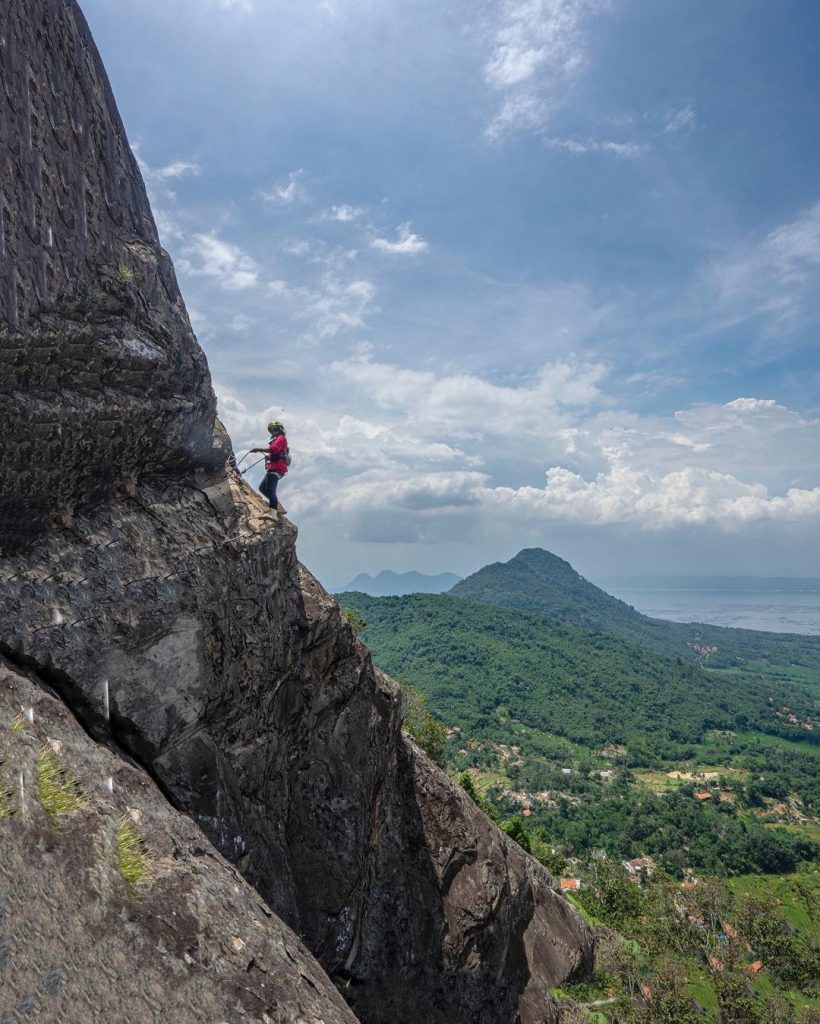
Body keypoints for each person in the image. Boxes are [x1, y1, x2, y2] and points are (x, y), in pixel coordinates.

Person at [252, 421, 289, 512]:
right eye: (271, 431)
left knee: (270, 490)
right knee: (262, 488)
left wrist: (259, 449)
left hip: (277, 468)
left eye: (274, 430)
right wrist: (269, 457)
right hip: (274, 468)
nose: (273, 432)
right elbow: (277, 452)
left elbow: (273, 449)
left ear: (279, 429)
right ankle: (276, 504)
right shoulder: (278, 439)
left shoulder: (281, 438)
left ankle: (273, 514)